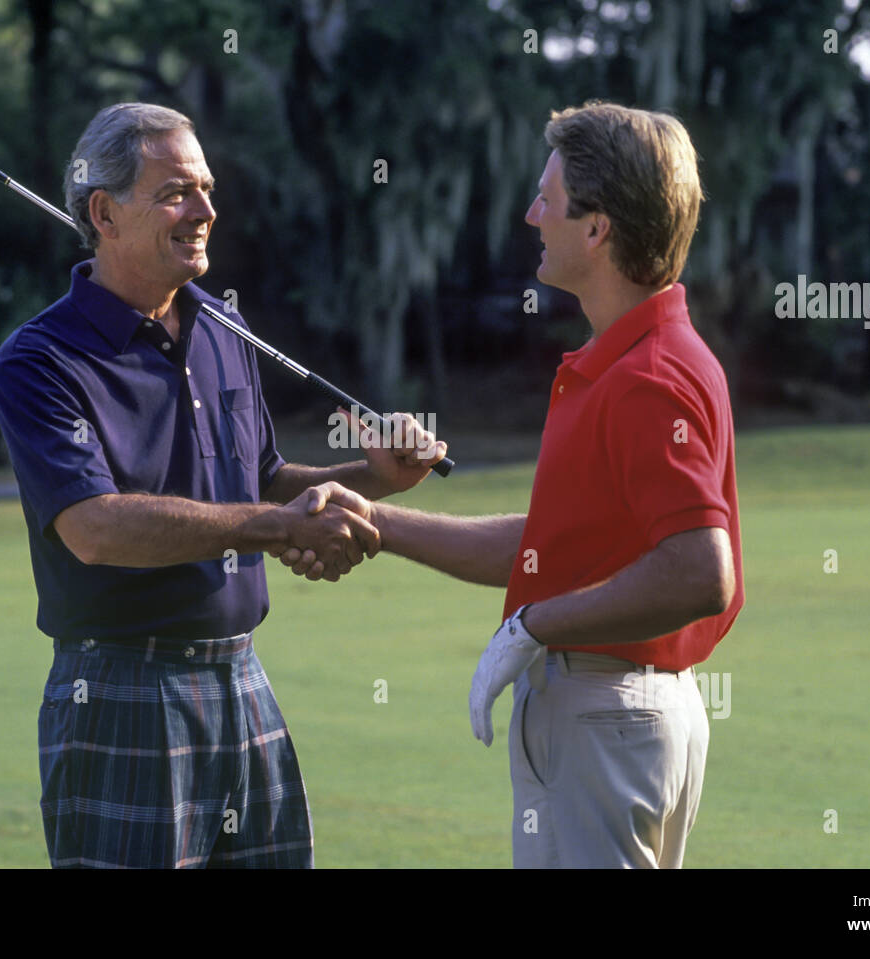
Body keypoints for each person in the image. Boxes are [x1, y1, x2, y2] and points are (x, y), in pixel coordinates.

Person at [276, 100, 744, 868]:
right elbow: (544, 550)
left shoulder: (647, 375)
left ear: (596, 230)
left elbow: (701, 569)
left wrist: (536, 626)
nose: (531, 216)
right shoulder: (645, 354)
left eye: (548, 201)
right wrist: (381, 522)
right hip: (631, 714)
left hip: (601, 713)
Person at [0, 102, 445, 868]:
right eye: (175, 193)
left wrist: (370, 477)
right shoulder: (40, 361)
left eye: (204, 188)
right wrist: (277, 528)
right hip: (121, 690)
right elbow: (95, 527)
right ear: (104, 212)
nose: (205, 210)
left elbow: (261, 480)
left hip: (241, 676)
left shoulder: (221, 331)